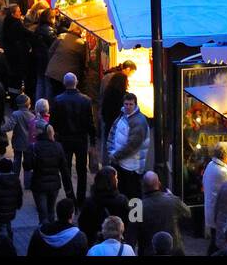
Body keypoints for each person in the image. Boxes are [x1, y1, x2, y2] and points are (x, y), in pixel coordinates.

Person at [50, 71, 96, 205]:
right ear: (76, 83)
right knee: (82, 170)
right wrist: (92, 141)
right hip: (81, 139)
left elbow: (53, 122)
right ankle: (81, 198)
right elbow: (90, 123)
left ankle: (70, 196)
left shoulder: (58, 100)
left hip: (64, 139)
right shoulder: (86, 100)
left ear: (64, 83)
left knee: (66, 169)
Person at [106, 92, 149, 200]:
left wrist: (115, 156)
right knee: (122, 195)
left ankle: (136, 217)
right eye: (126, 104)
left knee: (133, 197)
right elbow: (112, 132)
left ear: (135, 105)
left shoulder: (139, 121)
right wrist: (111, 150)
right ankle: (125, 216)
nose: (128, 107)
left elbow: (132, 146)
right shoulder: (123, 115)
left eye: (131, 104)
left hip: (131, 167)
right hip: (121, 164)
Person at [138, 171, 191, 255]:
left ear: (143, 186)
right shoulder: (172, 200)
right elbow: (188, 213)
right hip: (174, 251)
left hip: (149, 252)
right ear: (159, 184)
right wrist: (173, 197)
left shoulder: (137, 207)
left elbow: (131, 236)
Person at [24, 123, 66, 226]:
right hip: (54, 184)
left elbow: (27, 166)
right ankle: (52, 233)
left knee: (43, 214)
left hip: (38, 184)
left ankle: (44, 234)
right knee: (51, 211)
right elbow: (64, 167)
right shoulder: (58, 146)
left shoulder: (33, 147)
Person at [79, 166, 131, 244]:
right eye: (115, 178)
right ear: (112, 181)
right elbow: (128, 224)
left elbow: (83, 224)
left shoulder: (89, 202)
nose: (117, 180)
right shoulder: (122, 201)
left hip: (94, 243)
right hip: (116, 243)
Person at [202, 141, 227, 251]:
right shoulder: (222, 172)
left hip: (212, 210)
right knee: (218, 242)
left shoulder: (211, 165)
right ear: (225, 155)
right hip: (218, 213)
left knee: (214, 239)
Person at [0, 157, 24, 240]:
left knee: (2, 228)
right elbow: (19, 193)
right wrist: (18, 204)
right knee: (7, 223)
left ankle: (5, 243)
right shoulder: (15, 179)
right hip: (11, 209)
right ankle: (10, 238)